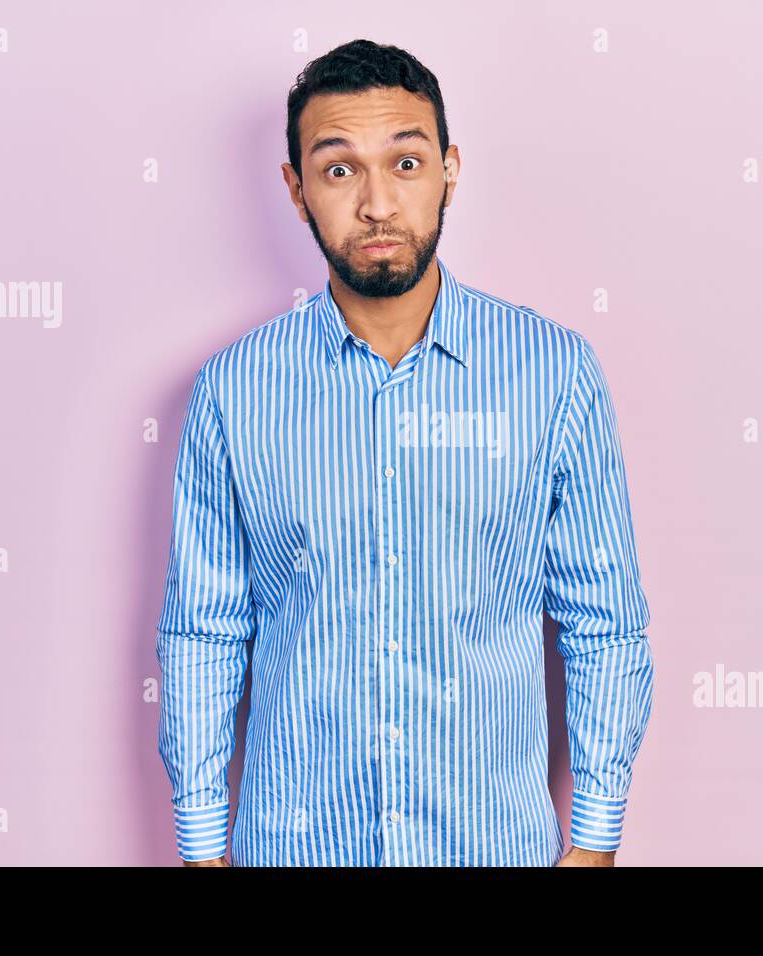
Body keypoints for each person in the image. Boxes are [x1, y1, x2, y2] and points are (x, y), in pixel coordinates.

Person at [156, 38, 653, 867]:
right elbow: (204, 629)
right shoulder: (233, 392)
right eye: (340, 169)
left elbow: (604, 624)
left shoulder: (554, 374)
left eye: (408, 163)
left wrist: (595, 840)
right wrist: (202, 846)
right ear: (296, 188)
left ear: (451, 170)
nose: (379, 204)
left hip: (494, 848)